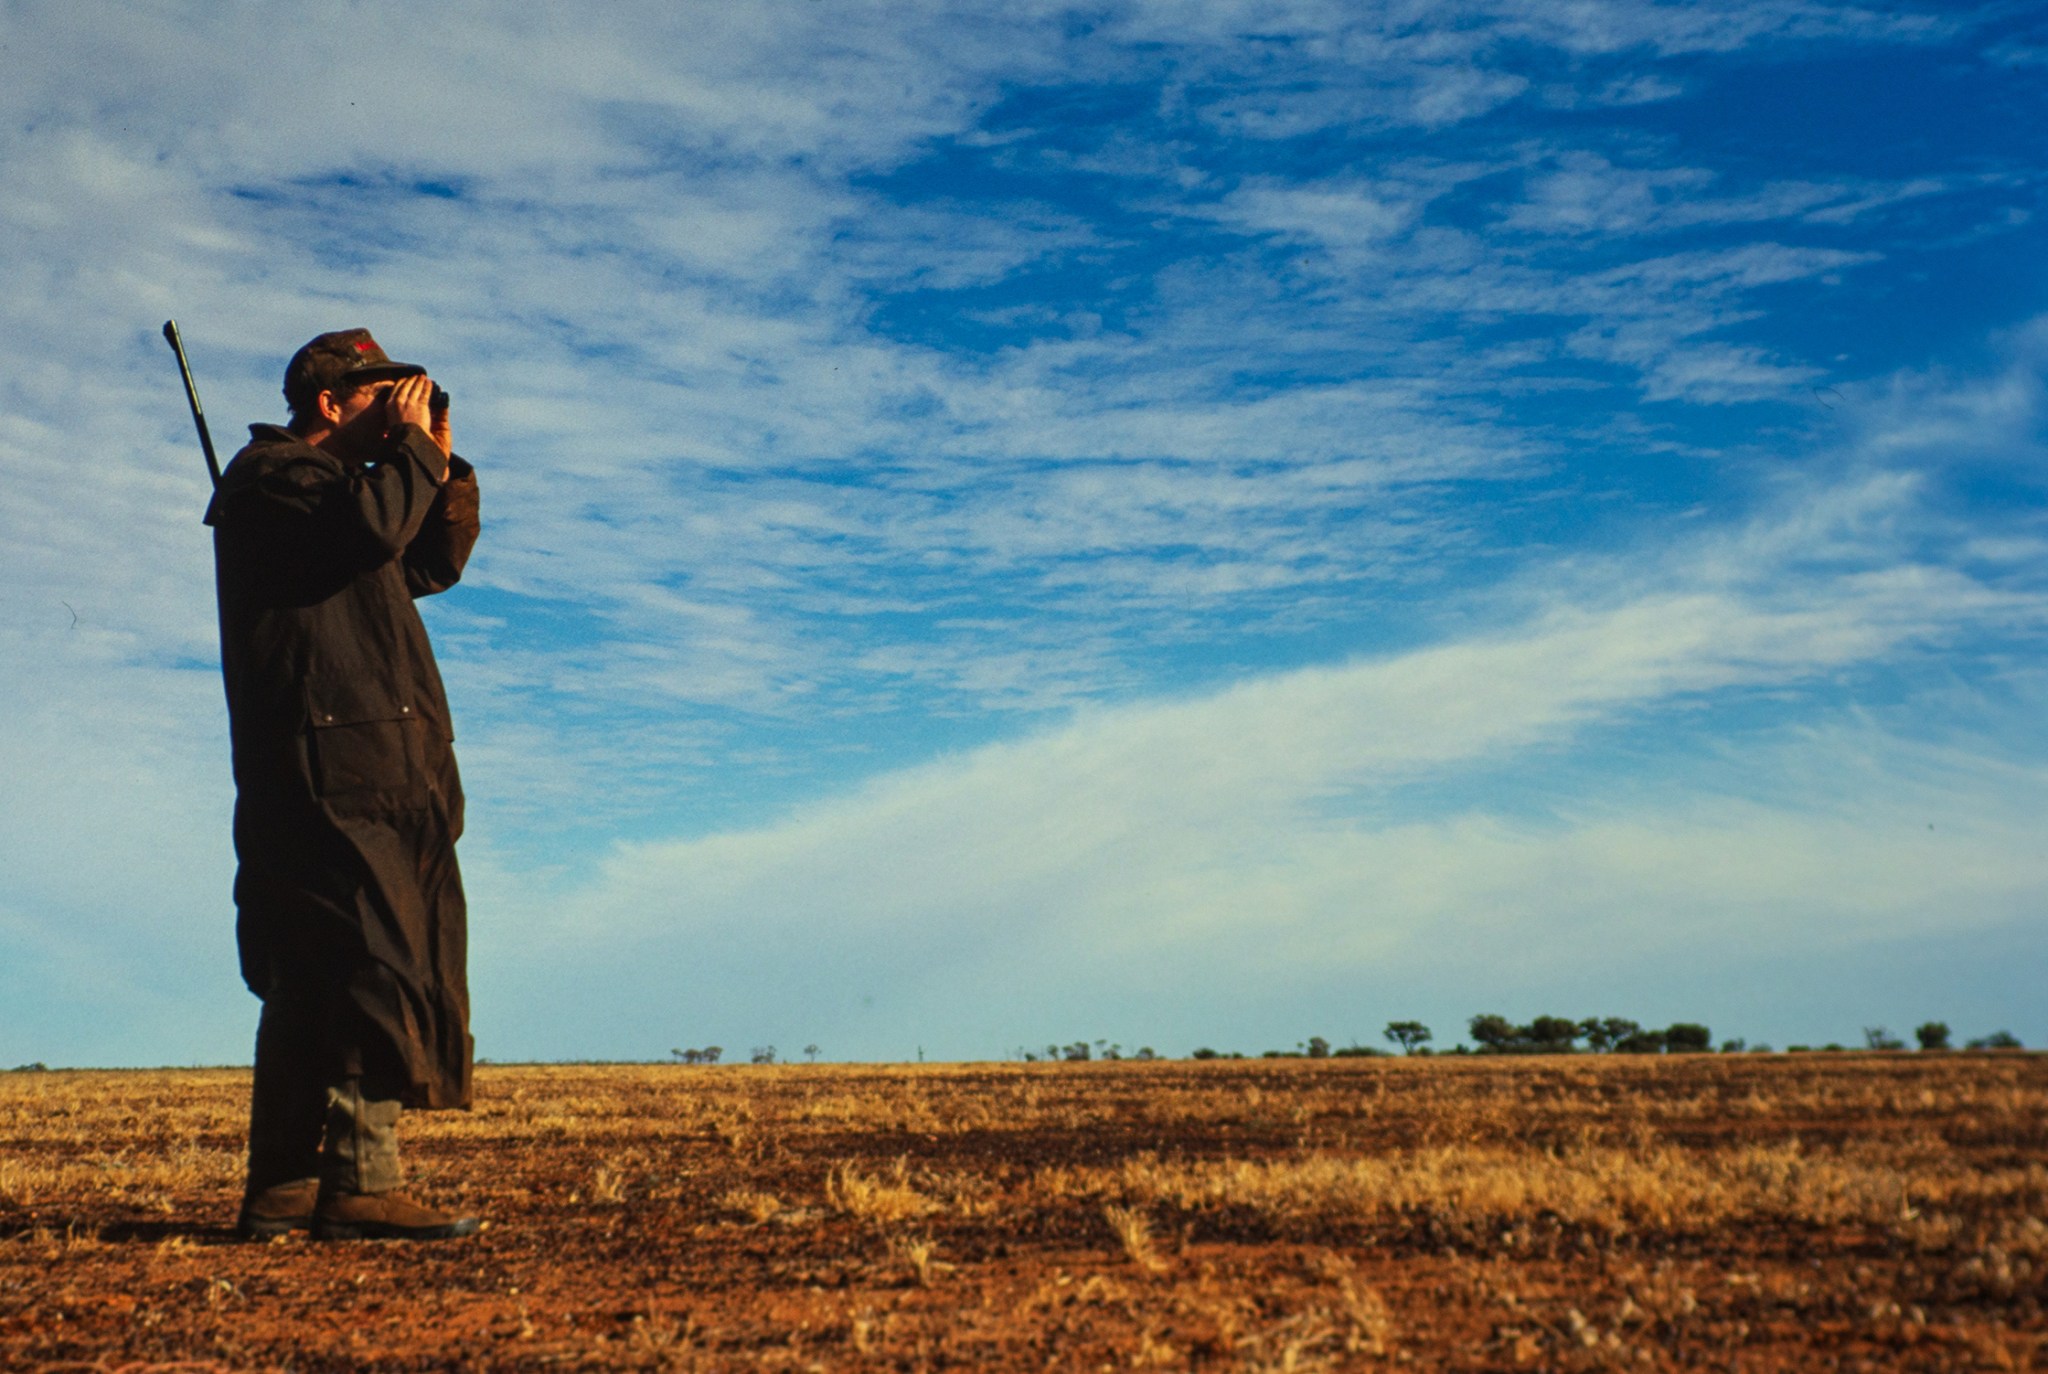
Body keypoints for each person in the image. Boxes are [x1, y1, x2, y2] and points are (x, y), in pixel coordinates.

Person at [206, 329, 482, 1241]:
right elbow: (368, 528)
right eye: (382, 394)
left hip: (369, 766)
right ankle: (360, 1186)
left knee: (319, 975)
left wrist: (435, 456)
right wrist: (409, 455)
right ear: (331, 402)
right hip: (330, 774)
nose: (400, 407)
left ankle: (282, 1192)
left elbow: (428, 562)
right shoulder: (274, 479)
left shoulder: (343, 495)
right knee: (375, 964)